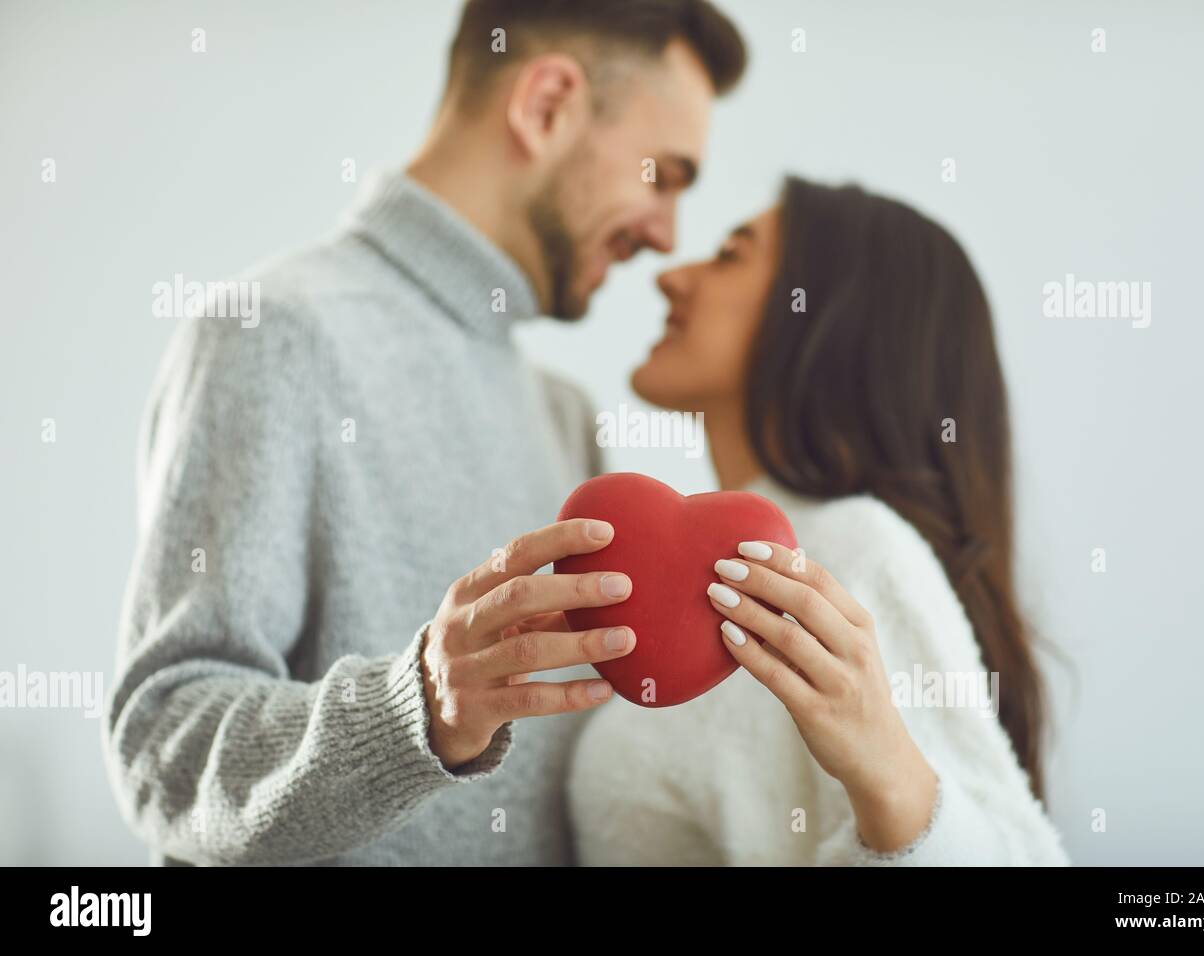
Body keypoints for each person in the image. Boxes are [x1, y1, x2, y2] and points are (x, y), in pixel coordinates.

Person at [103, 0, 746, 866]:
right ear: (547, 105)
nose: (666, 234)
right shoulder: (274, 331)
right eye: (661, 176)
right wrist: (420, 708)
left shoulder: (561, 412)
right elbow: (162, 750)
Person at [567, 177, 1071, 865]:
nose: (672, 277)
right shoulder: (735, 564)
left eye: (728, 255)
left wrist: (887, 771)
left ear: (824, 314)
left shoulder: (854, 552)